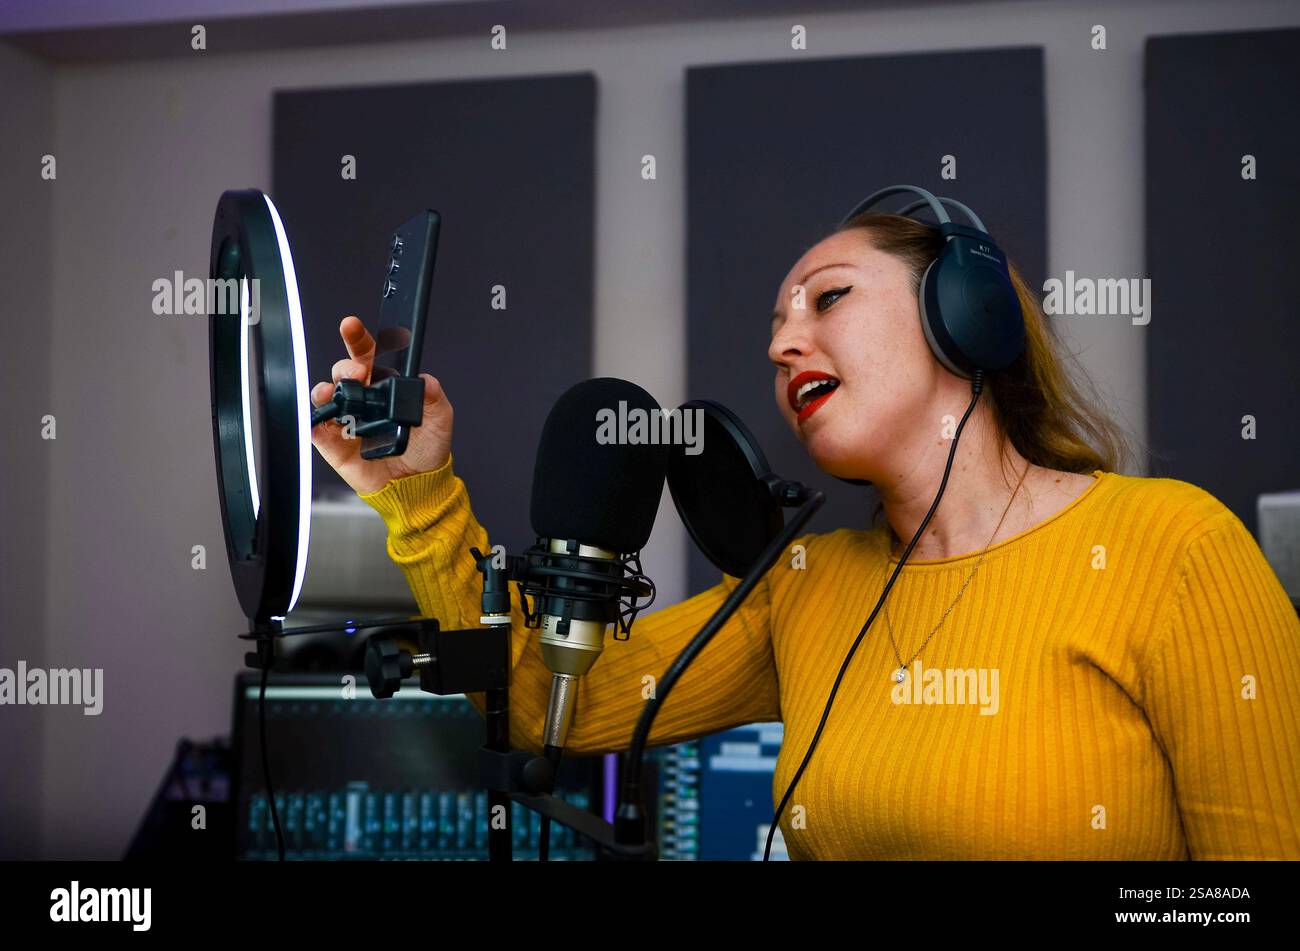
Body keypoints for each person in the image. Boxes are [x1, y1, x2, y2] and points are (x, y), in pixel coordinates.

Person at [310, 210, 1300, 860]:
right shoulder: (802, 582)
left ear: (967, 315)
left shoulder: (1172, 547)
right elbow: (539, 707)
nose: (783, 345)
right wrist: (417, 491)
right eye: (777, 324)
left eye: (827, 298)